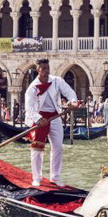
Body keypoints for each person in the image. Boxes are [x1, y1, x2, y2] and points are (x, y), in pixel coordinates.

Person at [25, 58, 79, 187]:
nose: (46, 71)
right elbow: (29, 107)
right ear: (38, 70)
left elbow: (69, 92)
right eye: (43, 68)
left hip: (55, 116)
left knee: (57, 147)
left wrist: (73, 101)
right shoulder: (32, 87)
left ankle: (55, 177)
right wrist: (38, 119)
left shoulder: (56, 81)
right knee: (37, 148)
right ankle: (36, 178)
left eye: (47, 68)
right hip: (40, 118)